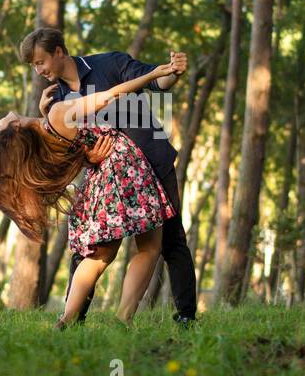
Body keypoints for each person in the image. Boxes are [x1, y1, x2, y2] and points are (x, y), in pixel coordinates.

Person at [18, 27, 197, 324]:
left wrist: (174, 71)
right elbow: (68, 152)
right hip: (107, 178)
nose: (38, 71)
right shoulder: (57, 97)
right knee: (91, 248)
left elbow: (157, 80)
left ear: (59, 52)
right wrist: (89, 157)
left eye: (40, 62)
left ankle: (186, 318)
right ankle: (73, 319)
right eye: (34, 66)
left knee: (171, 241)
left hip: (153, 160)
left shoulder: (108, 64)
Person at [0, 60, 181, 326]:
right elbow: (108, 97)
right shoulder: (55, 116)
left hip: (101, 180)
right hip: (126, 168)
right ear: (16, 129)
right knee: (149, 247)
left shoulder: (47, 135)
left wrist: (45, 110)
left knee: (99, 256)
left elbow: (48, 125)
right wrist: (151, 76)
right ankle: (123, 319)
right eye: (0, 127)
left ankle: (67, 318)